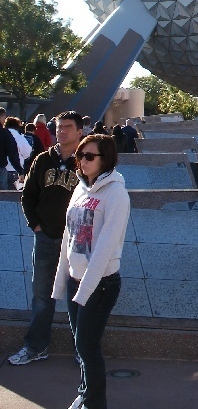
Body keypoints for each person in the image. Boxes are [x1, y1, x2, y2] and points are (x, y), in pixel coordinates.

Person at [52, 134, 129, 409]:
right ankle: (85, 393)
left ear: (105, 158)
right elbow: (68, 237)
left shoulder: (116, 194)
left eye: (89, 156)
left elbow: (106, 247)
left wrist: (85, 290)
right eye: (80, 156)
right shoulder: (80, 189)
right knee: (80, 345)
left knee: (87, 346)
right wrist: (63, 280)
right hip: (76, 279)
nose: (82, 162)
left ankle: (95, 403)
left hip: (101, 283)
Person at [9, 110, 83, 365]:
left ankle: (83, 351)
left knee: (79, 297)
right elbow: (28, 195)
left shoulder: (88, 160)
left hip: (77, 241)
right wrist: (36, 225)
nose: (61, 131)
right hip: (46, 238)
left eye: (68, 127)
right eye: (59, 127)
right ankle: (36, 347)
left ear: (79, 131)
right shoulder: (43, 160)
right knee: (42, 294)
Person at [4, 117, 32, 189]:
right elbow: (27, 152)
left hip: (2, 168)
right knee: (12, 196)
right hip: (15, 169)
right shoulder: (19, 138)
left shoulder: (3, 135)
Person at [0, 108, 24, 190]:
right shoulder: (4, 133)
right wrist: (20, 171)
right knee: (2, 199)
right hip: (0, 168)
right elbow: (12, 153)